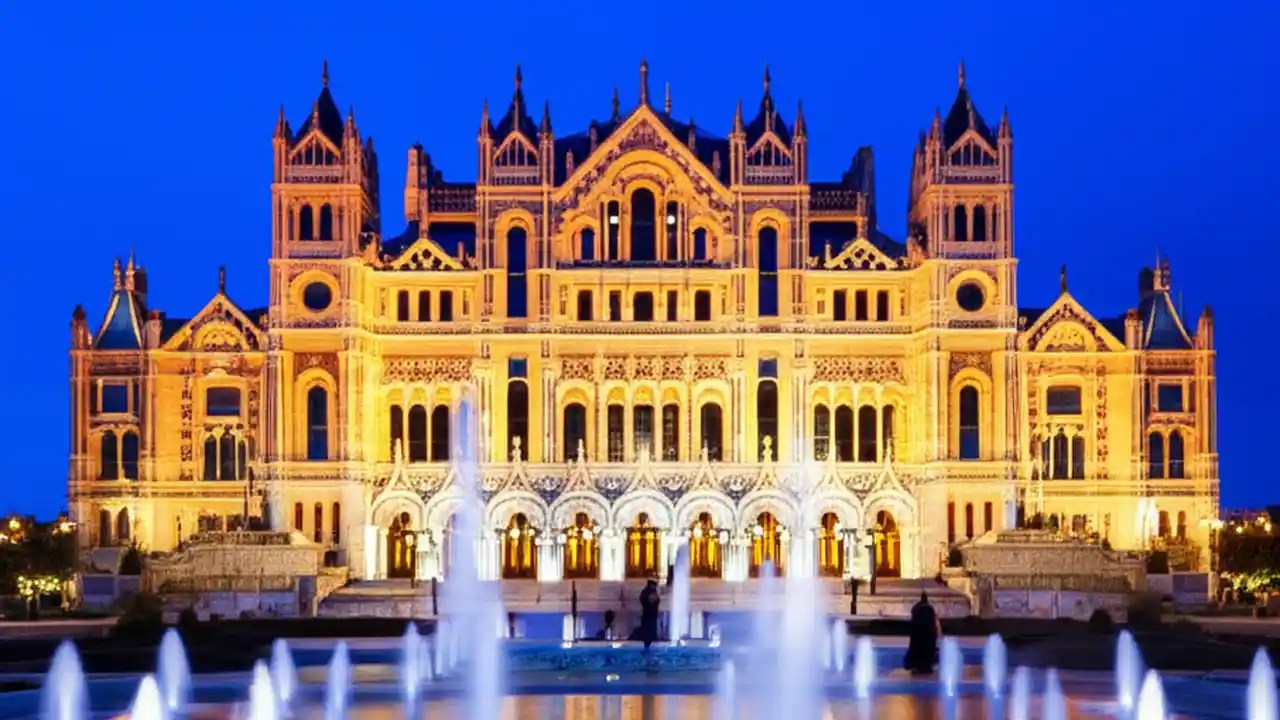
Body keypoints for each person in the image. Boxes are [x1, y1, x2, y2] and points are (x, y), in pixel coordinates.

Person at [903, 590, 941, 675]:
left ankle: (918, 665)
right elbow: (936, 625)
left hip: (919, 633)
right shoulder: (929, 609)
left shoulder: (917, 608)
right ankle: (924, 665)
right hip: (927, 635)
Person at [639, 579, 661, 650]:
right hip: (649, 616)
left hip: (649, 616)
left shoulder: (645, 592)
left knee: (648, 636)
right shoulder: (649, 592)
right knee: (649, 635)